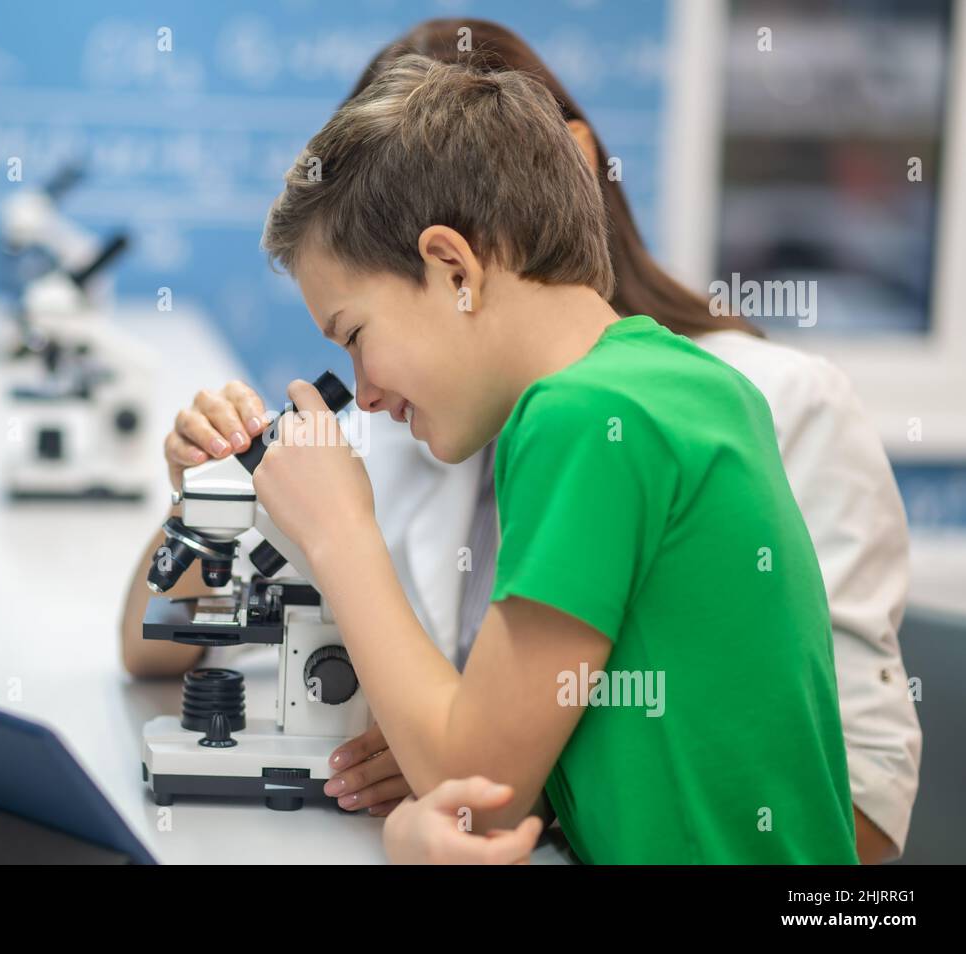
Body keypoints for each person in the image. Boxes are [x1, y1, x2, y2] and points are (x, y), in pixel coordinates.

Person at [121, 20, 918, 864]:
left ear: (454, 270)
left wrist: (339, 529)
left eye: (353, 334)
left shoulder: (579, 421)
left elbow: (478, 796)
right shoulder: (687, 382)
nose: (362, 391)